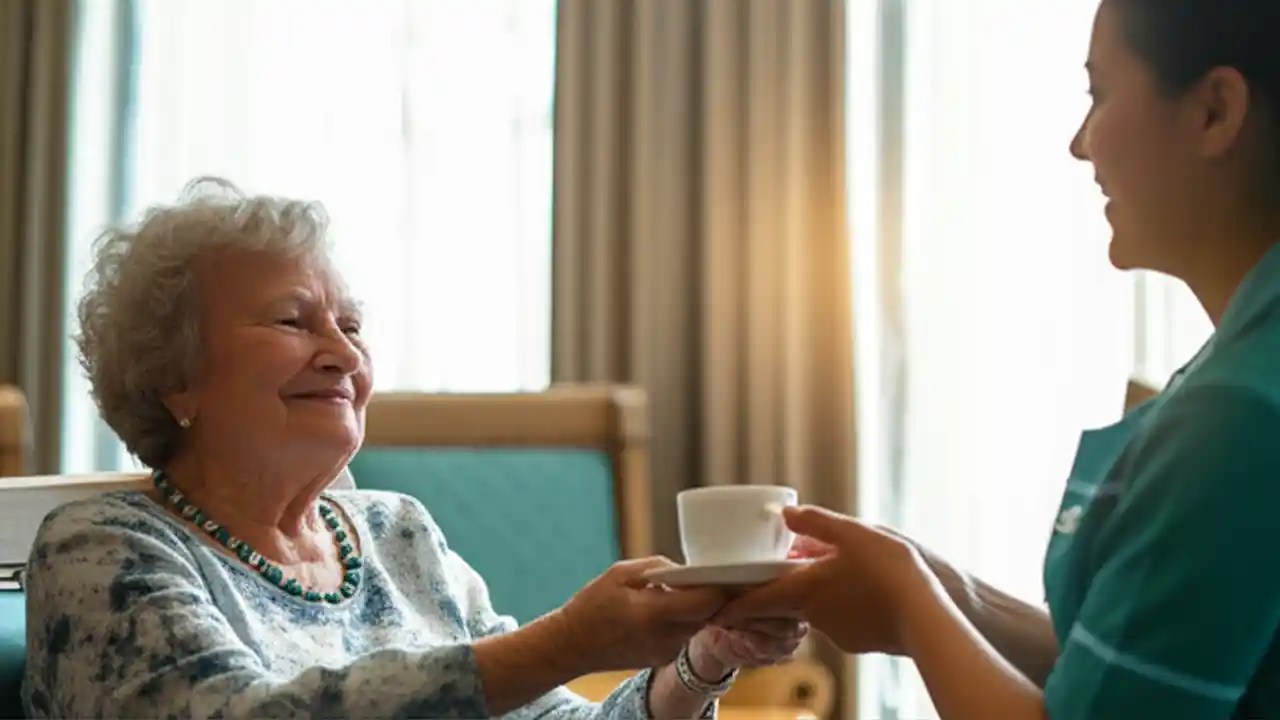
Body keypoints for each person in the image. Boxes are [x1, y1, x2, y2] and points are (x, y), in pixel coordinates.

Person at [21, 178, 806, 719]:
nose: (342, 354)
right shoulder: (104, 552)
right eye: (293, 322)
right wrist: (568, 640)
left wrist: (699, 661)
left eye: (351, 327)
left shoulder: (396, 533)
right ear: (175, 379)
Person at [719, 0, 1280, 718]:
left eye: (1099, 93)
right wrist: (943, 589)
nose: (1081, 144)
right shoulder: (1244, 363)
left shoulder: (1236, 412)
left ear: (1215, 111)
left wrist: (905, 600)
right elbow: (1125, 679)